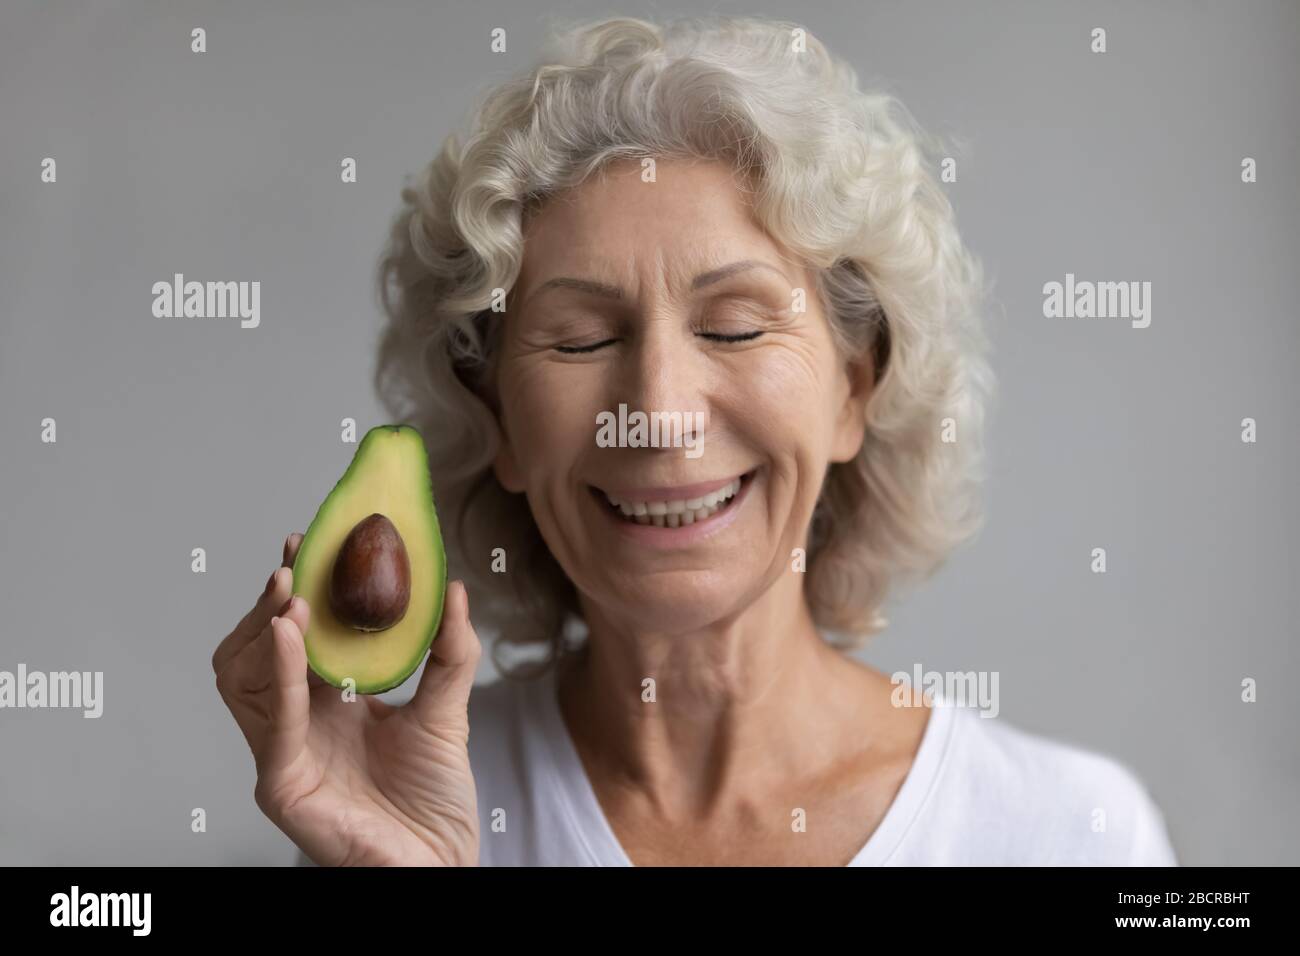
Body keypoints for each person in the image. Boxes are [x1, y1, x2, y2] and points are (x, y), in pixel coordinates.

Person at [213, 14, 1177, 866]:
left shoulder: (1073, 834)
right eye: (582, 338)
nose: (660, 411)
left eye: (737, 326)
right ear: (496, 417)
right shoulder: (413, 803)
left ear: (854, 388)